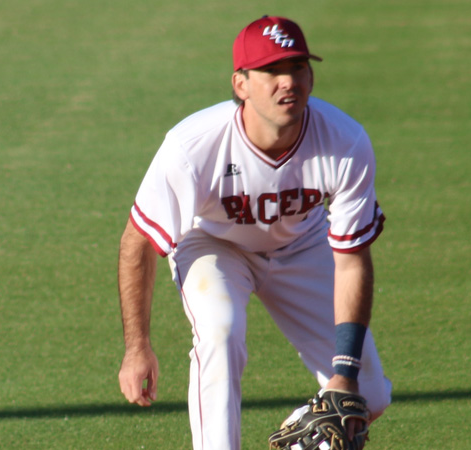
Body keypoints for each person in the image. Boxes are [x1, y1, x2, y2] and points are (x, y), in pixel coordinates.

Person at [116, 15, 392, 450]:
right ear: (240, 84)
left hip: (302, 243)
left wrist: (344, 369)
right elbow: (137, 242)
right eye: (272, 71)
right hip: (215, 244)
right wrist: (138, 348)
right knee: (220, 331)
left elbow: (352, 259)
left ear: (312, 75)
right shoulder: (193, 146)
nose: (288, 81)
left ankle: (297, 440)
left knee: (365, 397)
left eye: (297, 67)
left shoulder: (344, 141)